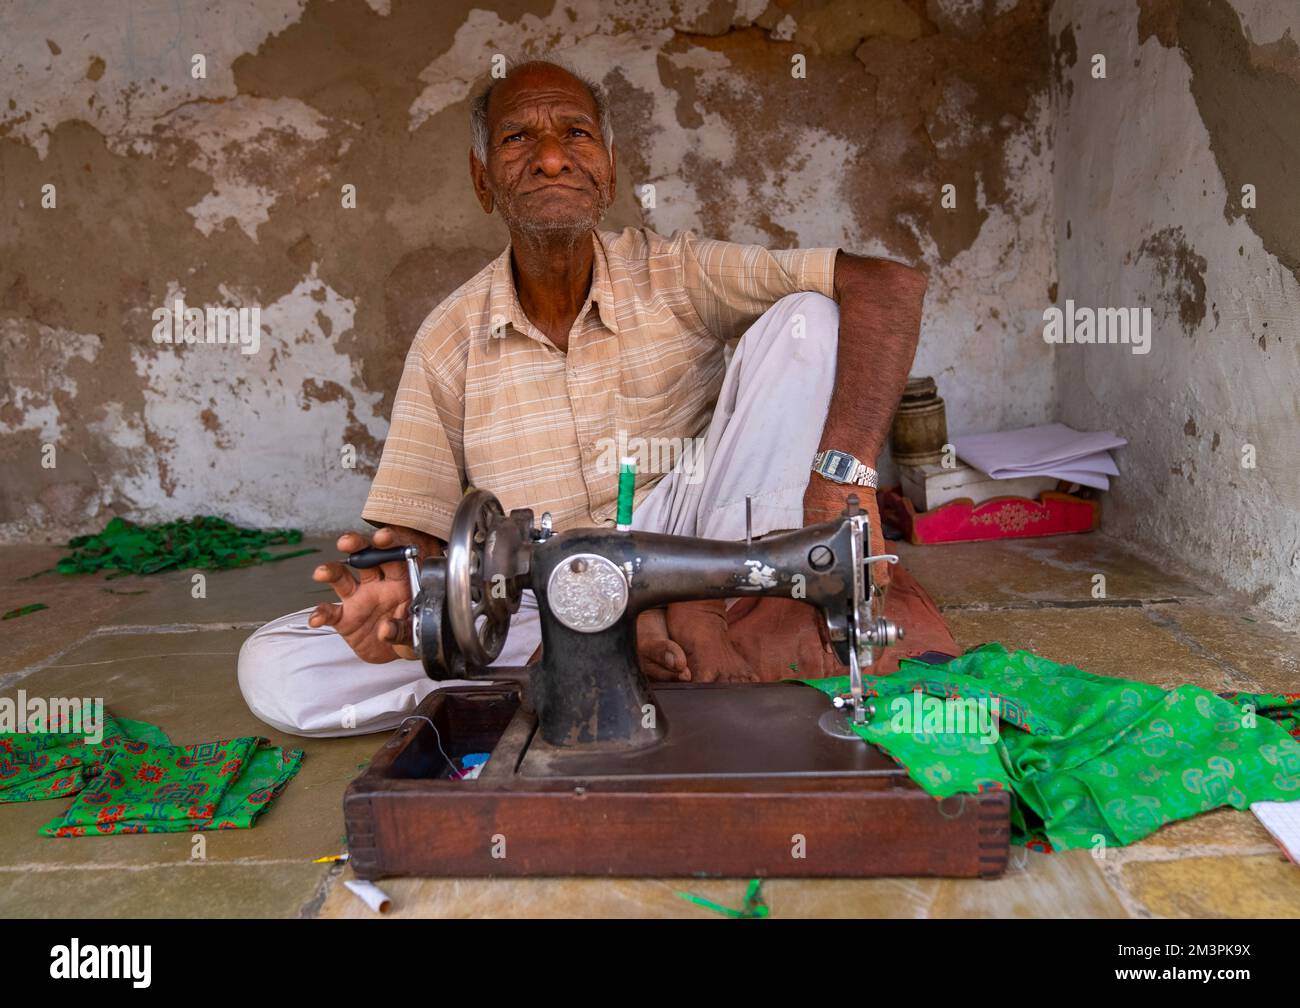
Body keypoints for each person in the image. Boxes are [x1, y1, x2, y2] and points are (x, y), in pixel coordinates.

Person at [238, 59, 956, 738]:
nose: (551, 158)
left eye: (575, 134)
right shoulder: (447, 341)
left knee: (810, 315)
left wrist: (846, 476)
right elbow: (422, 540)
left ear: (607, 170)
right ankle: (580, 665)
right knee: (276, 668)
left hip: (694, 542)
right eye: (519, 139)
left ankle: (689, 617)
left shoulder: (676, 273)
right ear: (483, 179)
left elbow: (886, 285)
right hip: (541, 587)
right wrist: (401, 597)